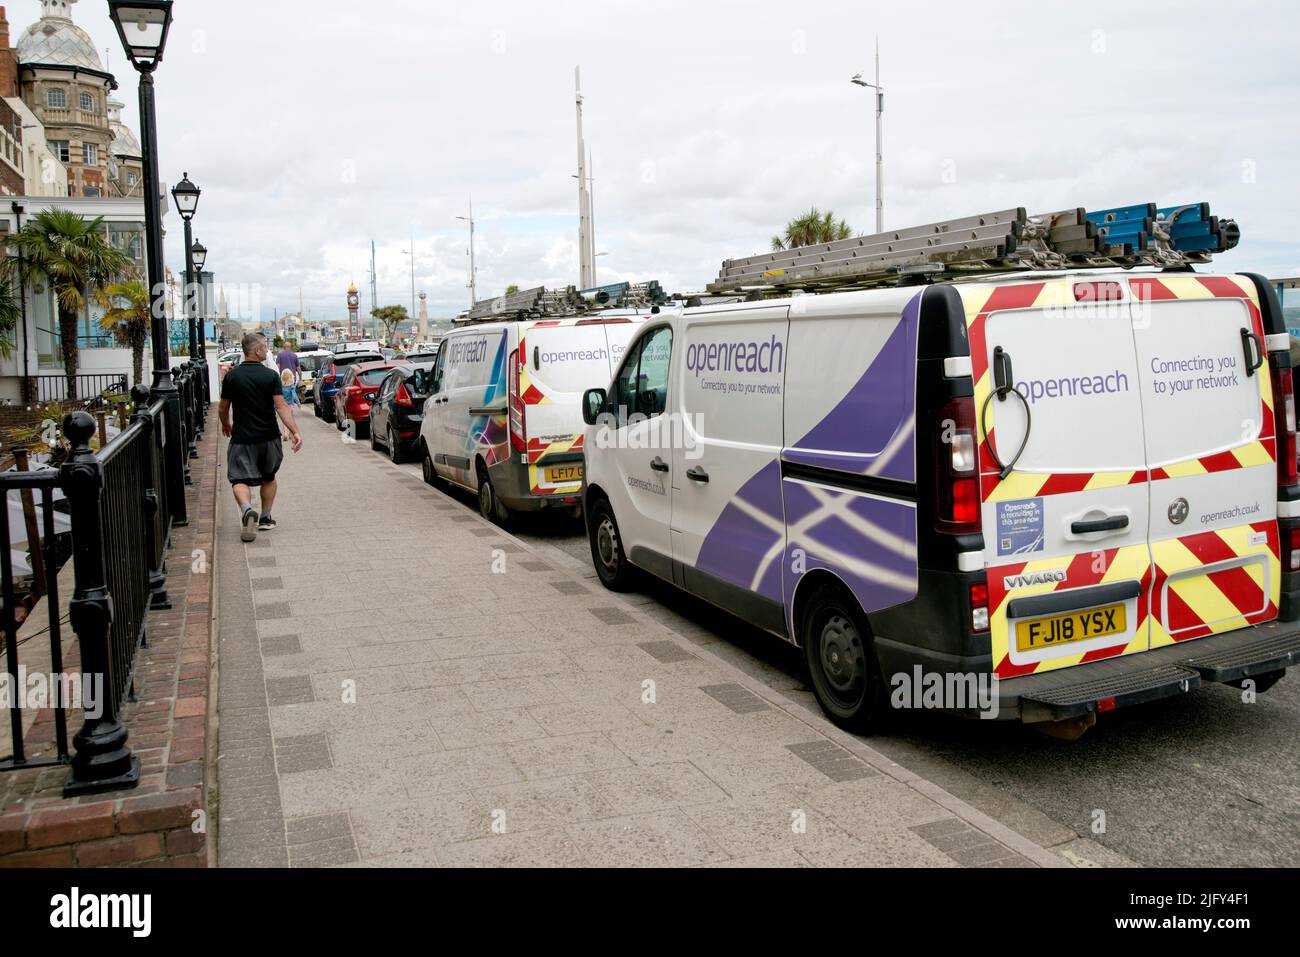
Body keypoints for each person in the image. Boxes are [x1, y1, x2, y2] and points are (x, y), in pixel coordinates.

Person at [220, 332, 303, 542]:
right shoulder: (270, 376)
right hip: (269, 437)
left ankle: (247, 509)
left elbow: (223, 408)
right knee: (269, 477)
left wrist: (226, 424)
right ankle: (265, 518)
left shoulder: (232, 376)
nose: (267, 350)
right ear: (257, 351)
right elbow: (282, 407)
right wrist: (295, 431)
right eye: (265, 347)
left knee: (238, 479)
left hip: (242, 438)